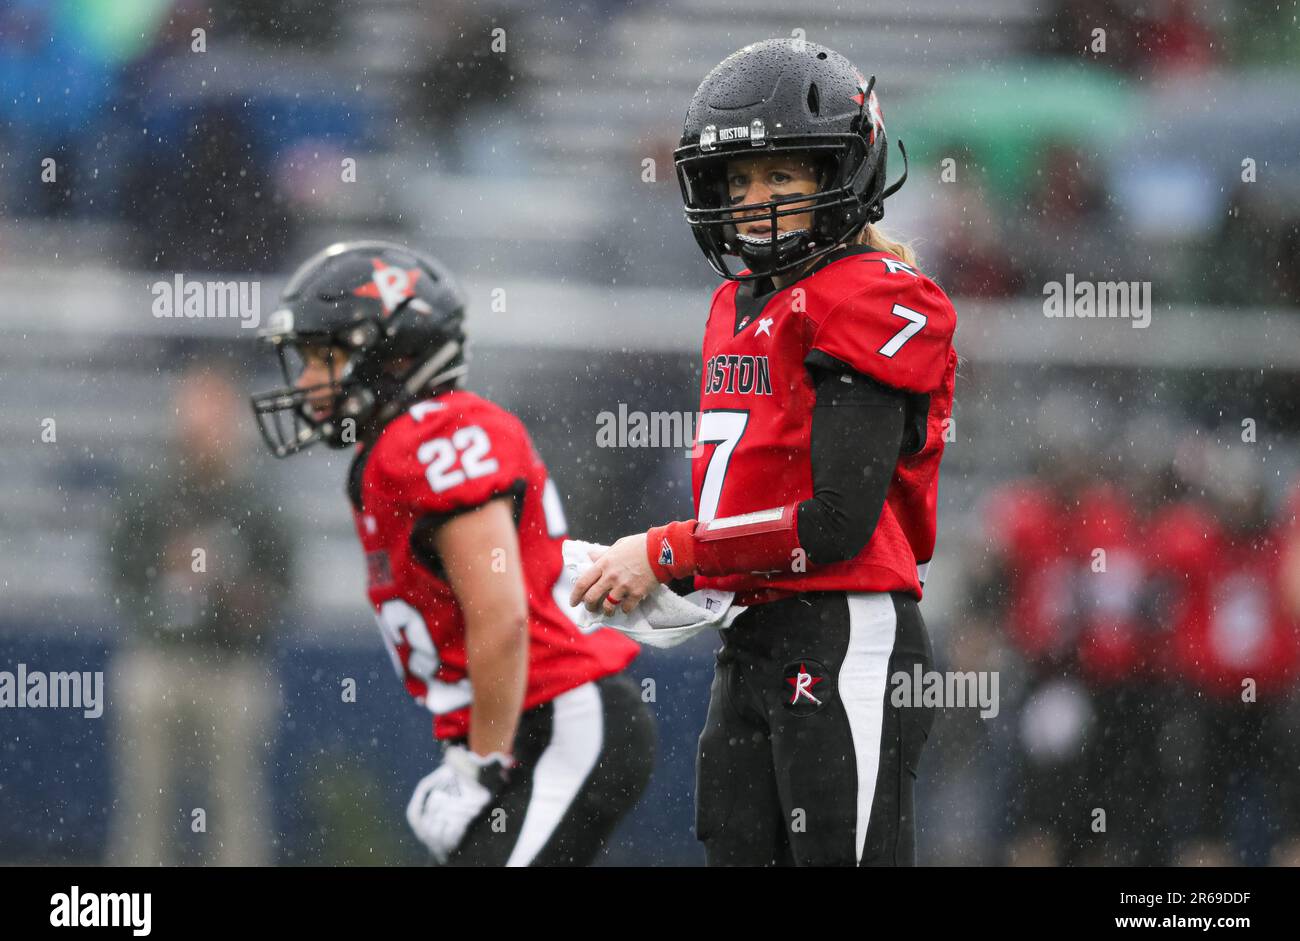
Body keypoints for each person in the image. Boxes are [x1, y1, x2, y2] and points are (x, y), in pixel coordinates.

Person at [570, 39, 958, 867]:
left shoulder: (873, 295)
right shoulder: (735, 302)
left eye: (782, 175)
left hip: (844, 628)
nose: (755, 200)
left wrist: (669, 552)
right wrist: (695, 577)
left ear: (839, 173)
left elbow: (834, 524)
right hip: (755, 633)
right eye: (739, 179)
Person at [251, 240, 654, 866]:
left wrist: (479, 765)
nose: (305, 380)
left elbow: (501, 616)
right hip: (530, 727)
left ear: (392, 354)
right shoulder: (392, 452)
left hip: (565, 718)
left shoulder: (433, 435)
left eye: (323, 357)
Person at [106, 360, 289, 865]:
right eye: (195, 410)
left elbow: (285, 589)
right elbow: (118, 575)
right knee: (146, 803)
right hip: (159, 658)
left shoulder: (256, 500)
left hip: (230, 665)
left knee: (235, 802)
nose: (203, 425)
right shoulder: (150, 493)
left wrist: (238, 598)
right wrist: (161, 588)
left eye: (213, 411)